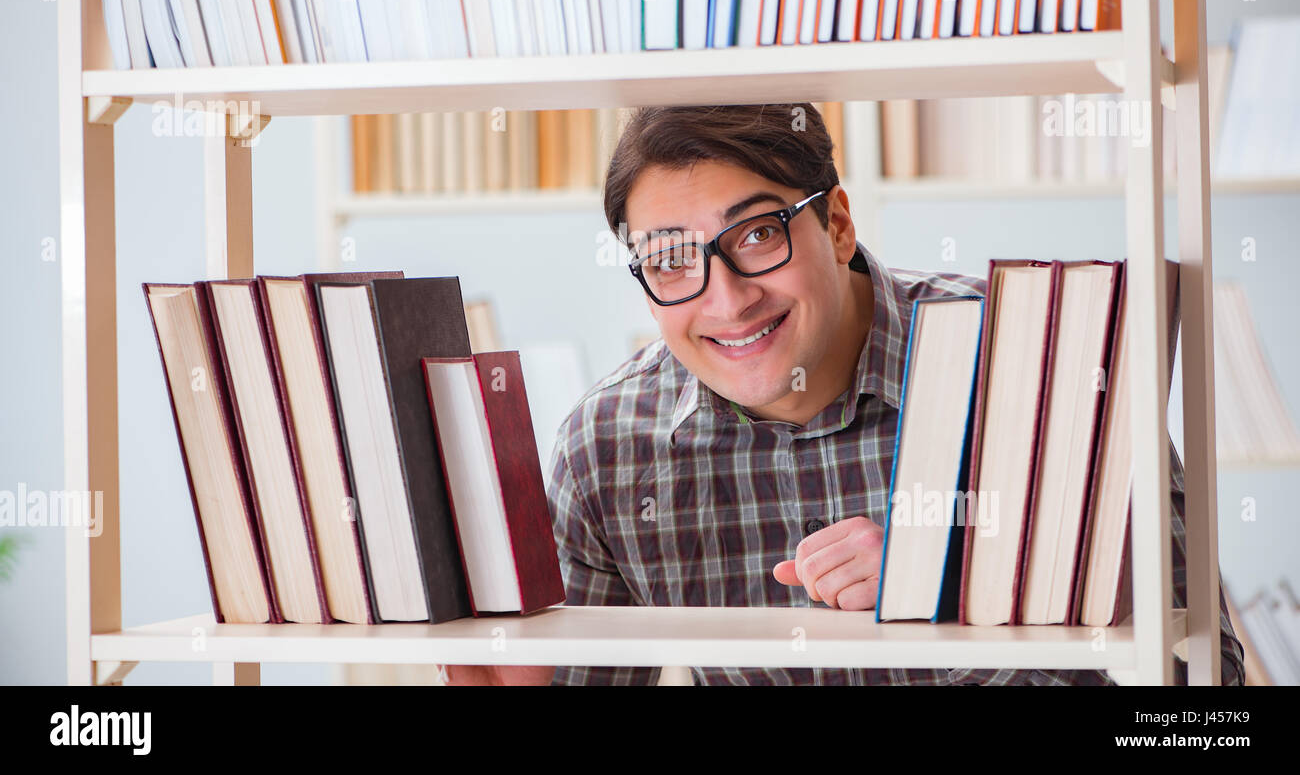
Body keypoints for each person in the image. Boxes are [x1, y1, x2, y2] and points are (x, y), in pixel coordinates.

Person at [445, 102, 1245, 686]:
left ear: (835, 222)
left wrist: (962, 578)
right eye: (671, 259)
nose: (725, 301)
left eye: (758, 233)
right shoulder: (609, 446)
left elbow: (1210, 712)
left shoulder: (1046, 370)